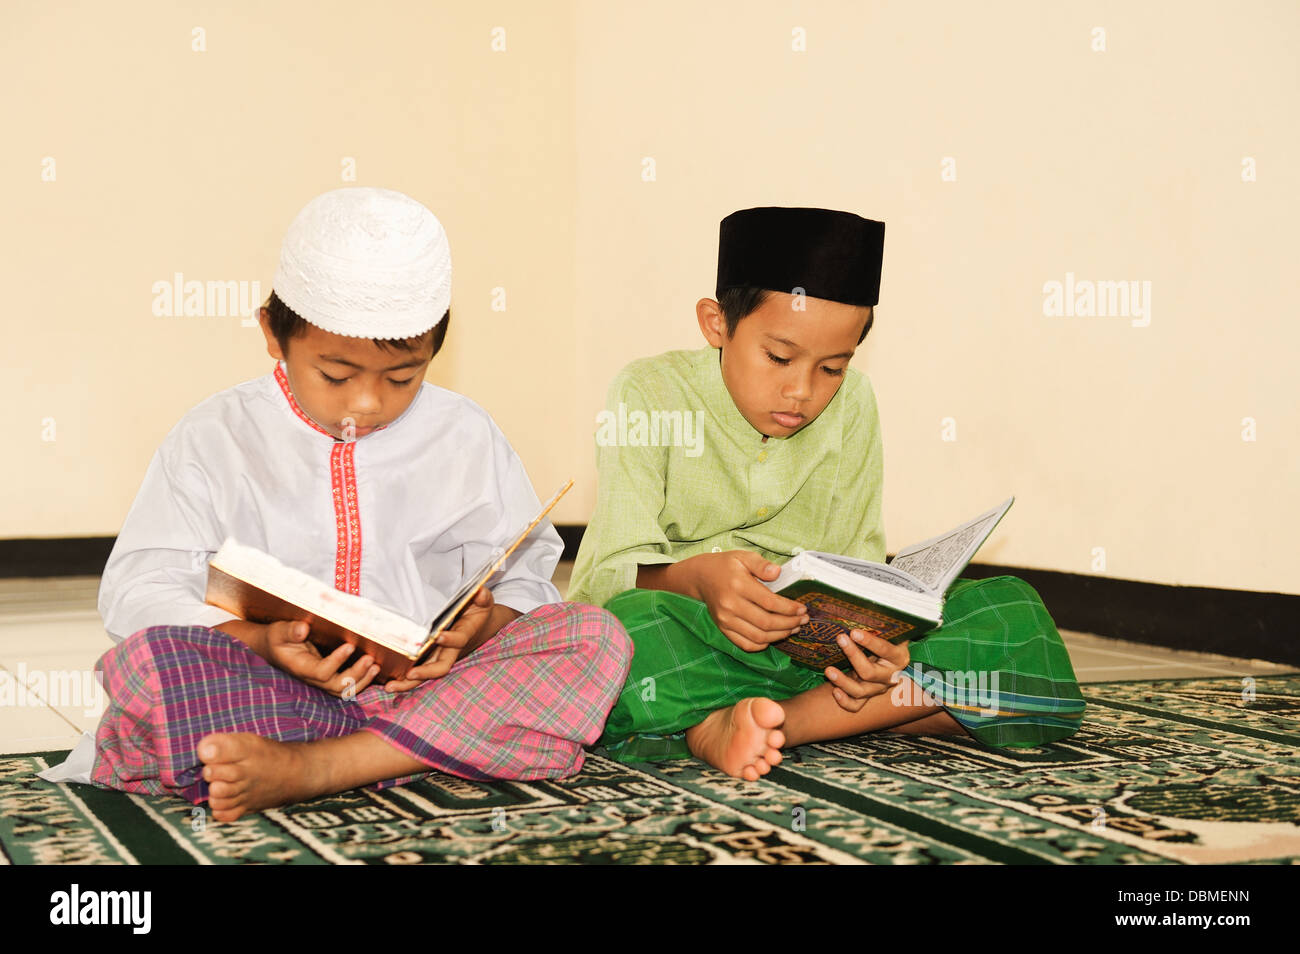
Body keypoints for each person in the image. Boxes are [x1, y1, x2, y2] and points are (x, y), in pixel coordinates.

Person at [46, 187, 631, 821]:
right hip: (276, 693)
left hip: (431, 689)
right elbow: (139, 589)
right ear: (273, 332)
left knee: (592, 635)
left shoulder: (465, 433)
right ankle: (420, 751)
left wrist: (478, 631)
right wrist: (263, 642)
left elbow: (526, 575)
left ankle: (320, 767)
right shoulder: (215, 434)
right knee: (144, 668)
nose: (368, 404)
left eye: (403, 377)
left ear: (436, 349)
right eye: (335, 375)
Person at [566, 206, 1085, 781]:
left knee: (1014, 612)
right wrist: (698, 578)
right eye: (779, 357)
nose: (801, 391)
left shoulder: (855, 402)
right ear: (716, 323)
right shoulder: (649, 391)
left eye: (832, 368)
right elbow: (607, 573)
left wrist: (881, 647)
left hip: (817, 653)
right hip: (697, 629)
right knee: (618, 634)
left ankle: (758, 722)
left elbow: (862, 565)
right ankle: (847, 713)